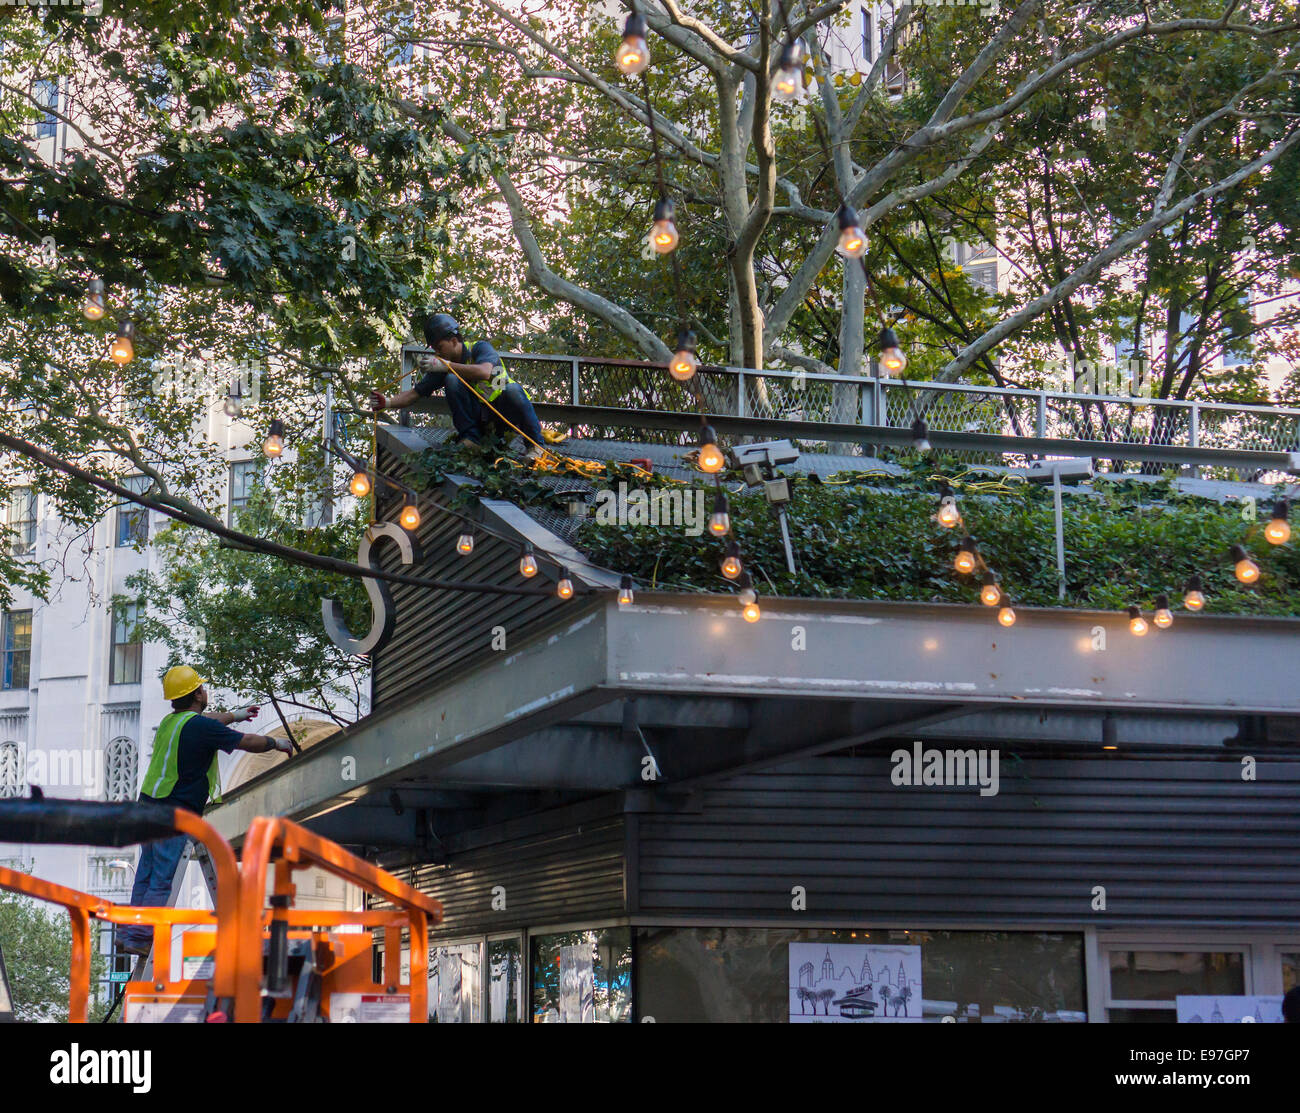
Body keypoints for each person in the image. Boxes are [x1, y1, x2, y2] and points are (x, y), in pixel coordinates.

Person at [118, 665, 291, 954]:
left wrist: (236, 715)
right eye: (202, 688)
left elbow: (208, 720)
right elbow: (246, 741)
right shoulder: (200, 727)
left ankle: (130, 932)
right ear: (198, 694)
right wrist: (277, 743)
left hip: (148, 806)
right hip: (172, 812)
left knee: (146, 874)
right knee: (162, 877)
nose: (205, 691)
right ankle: (141, 936)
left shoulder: (171, 722)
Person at [369, 312, 545, 457]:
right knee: (452, 379)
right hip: (483, 423)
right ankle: (471, 440)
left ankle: (536, 446)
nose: (437, 352)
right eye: (434, 349)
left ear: (453, 341)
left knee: (513, 390)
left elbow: (484, 371)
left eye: (439, 347)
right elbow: (415, 393)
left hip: (505, 416)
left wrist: (446, 366)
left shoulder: (479, 348)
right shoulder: (444, 366)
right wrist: (388, 402)